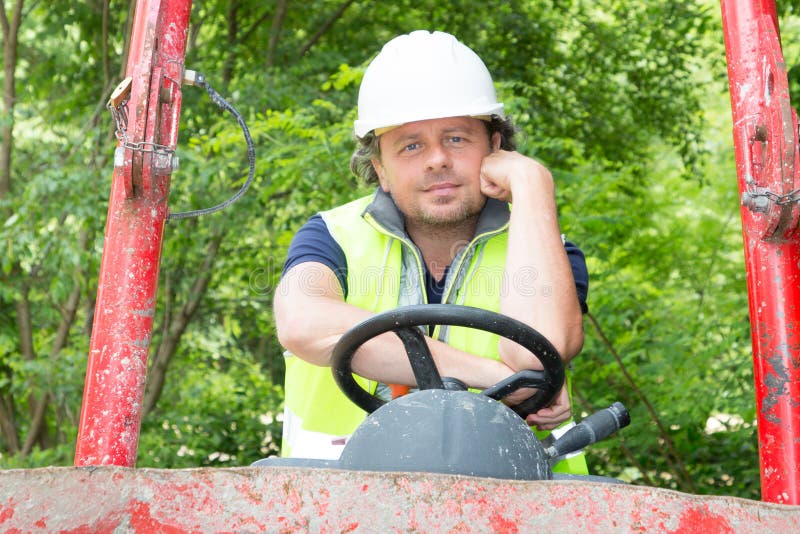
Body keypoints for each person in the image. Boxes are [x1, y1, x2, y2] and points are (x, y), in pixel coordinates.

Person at [274, 30, 589, 473]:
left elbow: (534, 359)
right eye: (412, 145)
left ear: (495, 147)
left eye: (457, 138)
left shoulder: (547, 249)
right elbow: (304, 324)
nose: (437, 159)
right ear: (380, 169)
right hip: (339, 508)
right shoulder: (332, 236)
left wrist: (533, 184)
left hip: (521, 512)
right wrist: (493, 376)